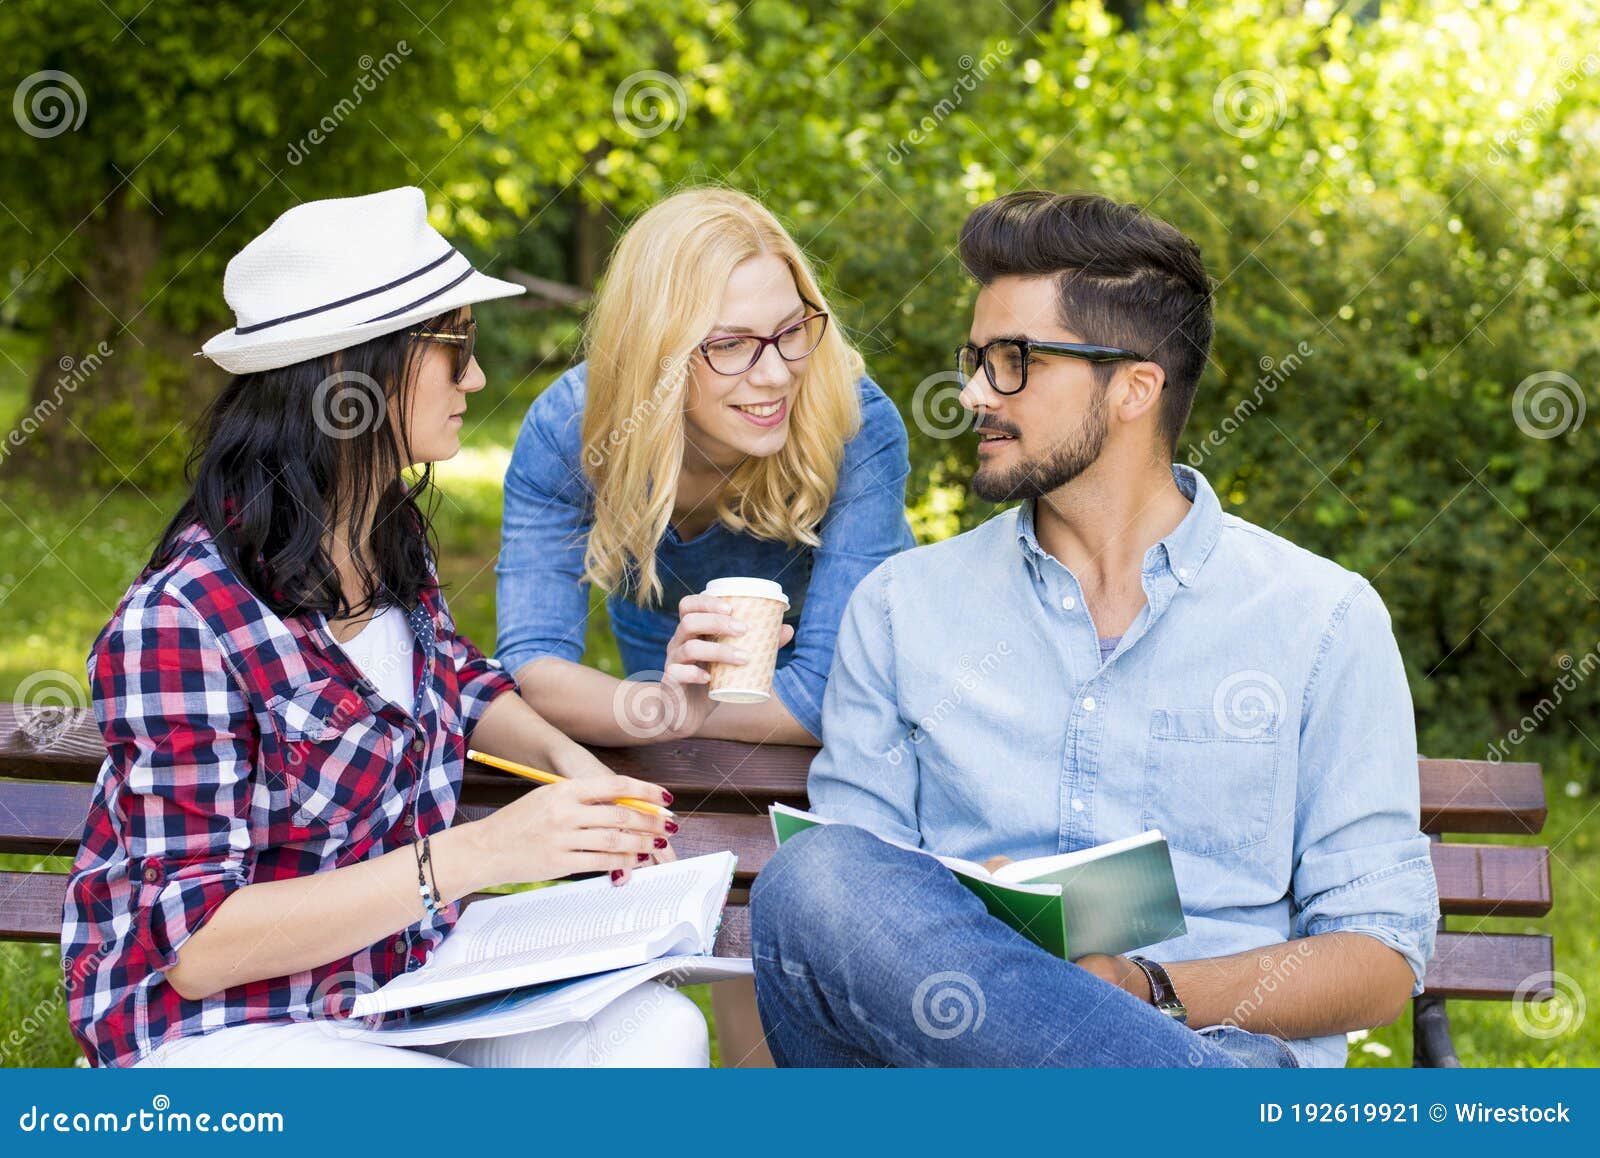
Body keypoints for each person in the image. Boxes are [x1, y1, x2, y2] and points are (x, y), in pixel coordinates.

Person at [750, 191, 1440, 1068]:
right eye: (974, 359)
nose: (970, 393)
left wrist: (1149, 988)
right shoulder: (900, 608)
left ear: (1134, 388)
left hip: (1212, 1055)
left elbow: (1378, 958)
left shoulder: (1322, 620)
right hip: (949, 1074)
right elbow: (842, 915)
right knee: (813, 879)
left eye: (1013, 361)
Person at [62, 188, 705, 1068]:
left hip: (397, 1000)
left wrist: (574, 766)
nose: (476, 378)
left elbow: (455, 679)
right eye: (457, 348)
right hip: (224, 1039)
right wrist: (481, 850)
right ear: (352, 378)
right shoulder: (180, 624)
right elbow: (199, 946)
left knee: (658, 1033)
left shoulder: (385, 535)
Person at [495, 187, 914, 749]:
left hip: (839, 685)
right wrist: (666, 708)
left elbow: (827, 700)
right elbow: (532, 667)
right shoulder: (572, 430)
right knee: (690, 788)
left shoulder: (855, 422)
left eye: (791, 331)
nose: (776, 375)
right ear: (654, 352)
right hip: (664, 649)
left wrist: (647, 710)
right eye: (730, 344)